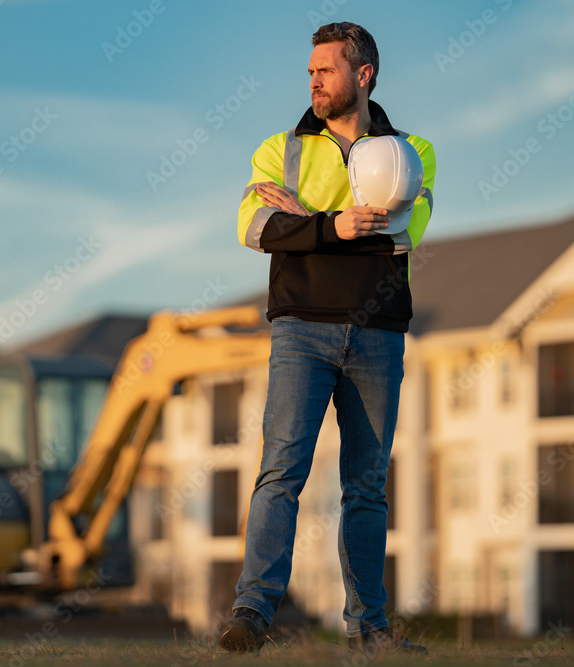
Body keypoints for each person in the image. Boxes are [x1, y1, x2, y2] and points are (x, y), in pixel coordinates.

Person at [219, 22, 436, 654]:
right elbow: (254, 228)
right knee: (280, 471)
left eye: (326, 70)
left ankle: (368, 630)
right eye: (310, 71)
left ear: (362, 74)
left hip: (377, 334)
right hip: (300, 330)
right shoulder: (277, 148)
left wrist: (305, 218)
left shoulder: (413, 149)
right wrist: (333, 225)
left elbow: (403, 232)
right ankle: (251, 614)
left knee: (366, 487)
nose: (313, 80)